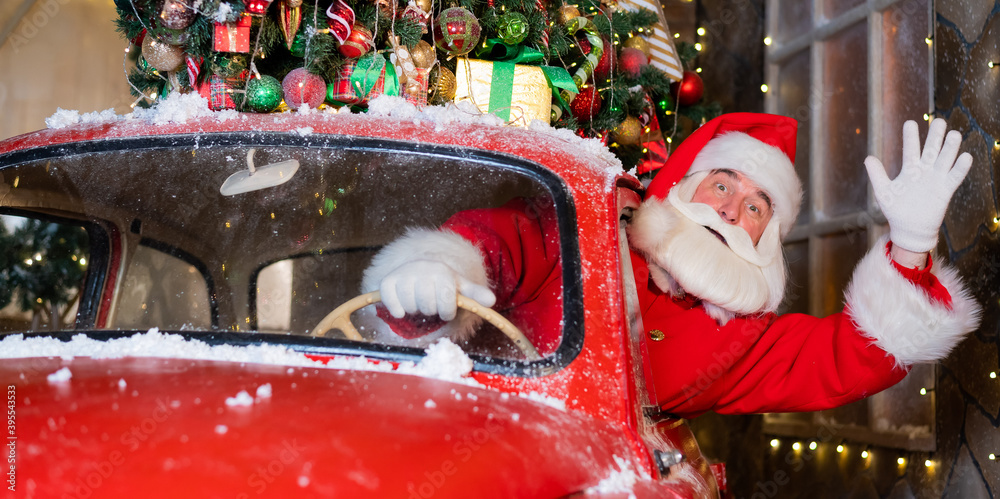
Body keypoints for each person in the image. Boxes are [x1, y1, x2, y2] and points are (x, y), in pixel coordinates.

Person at [360, 113, 981, 418]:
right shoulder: (587, 236)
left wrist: (911, 243)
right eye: (721, 185)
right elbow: (502, 246)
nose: (733, 210)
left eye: (757, 205)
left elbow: (856, 355)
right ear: (684, 187)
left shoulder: (743, 343)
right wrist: (437, 270)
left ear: (767, 239)